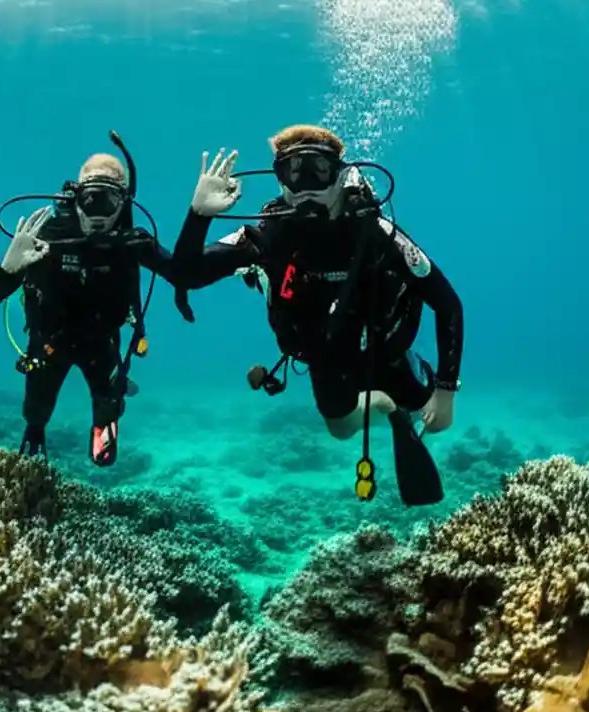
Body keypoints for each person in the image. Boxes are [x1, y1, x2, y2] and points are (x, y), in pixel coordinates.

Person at [170, 124, 464, 503]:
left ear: (340, 174)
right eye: (292, 172)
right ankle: (386, 408)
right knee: (340, 430)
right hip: (324, 355)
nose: (305, 185)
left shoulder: (377, 232)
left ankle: (406, 387)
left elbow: (447, 302)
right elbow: (184, 273)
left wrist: (447, 389)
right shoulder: (267, 238)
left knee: (437, 422)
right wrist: (198, 215)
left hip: (384, 348)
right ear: (279, 180)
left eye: (317, 170)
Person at [0, 148, 190, 467]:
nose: (98, 212)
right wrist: (8, 268)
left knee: (107, 417)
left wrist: (198, 215)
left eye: (109, 200)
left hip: (101, 343)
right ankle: (35, 431)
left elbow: (185, 274)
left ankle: (103, 420)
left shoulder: (134, 242)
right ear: (75, 197)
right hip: (49, 341)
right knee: (36, 409)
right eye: (91, 199)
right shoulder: (47, 235)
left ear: (125, 201)